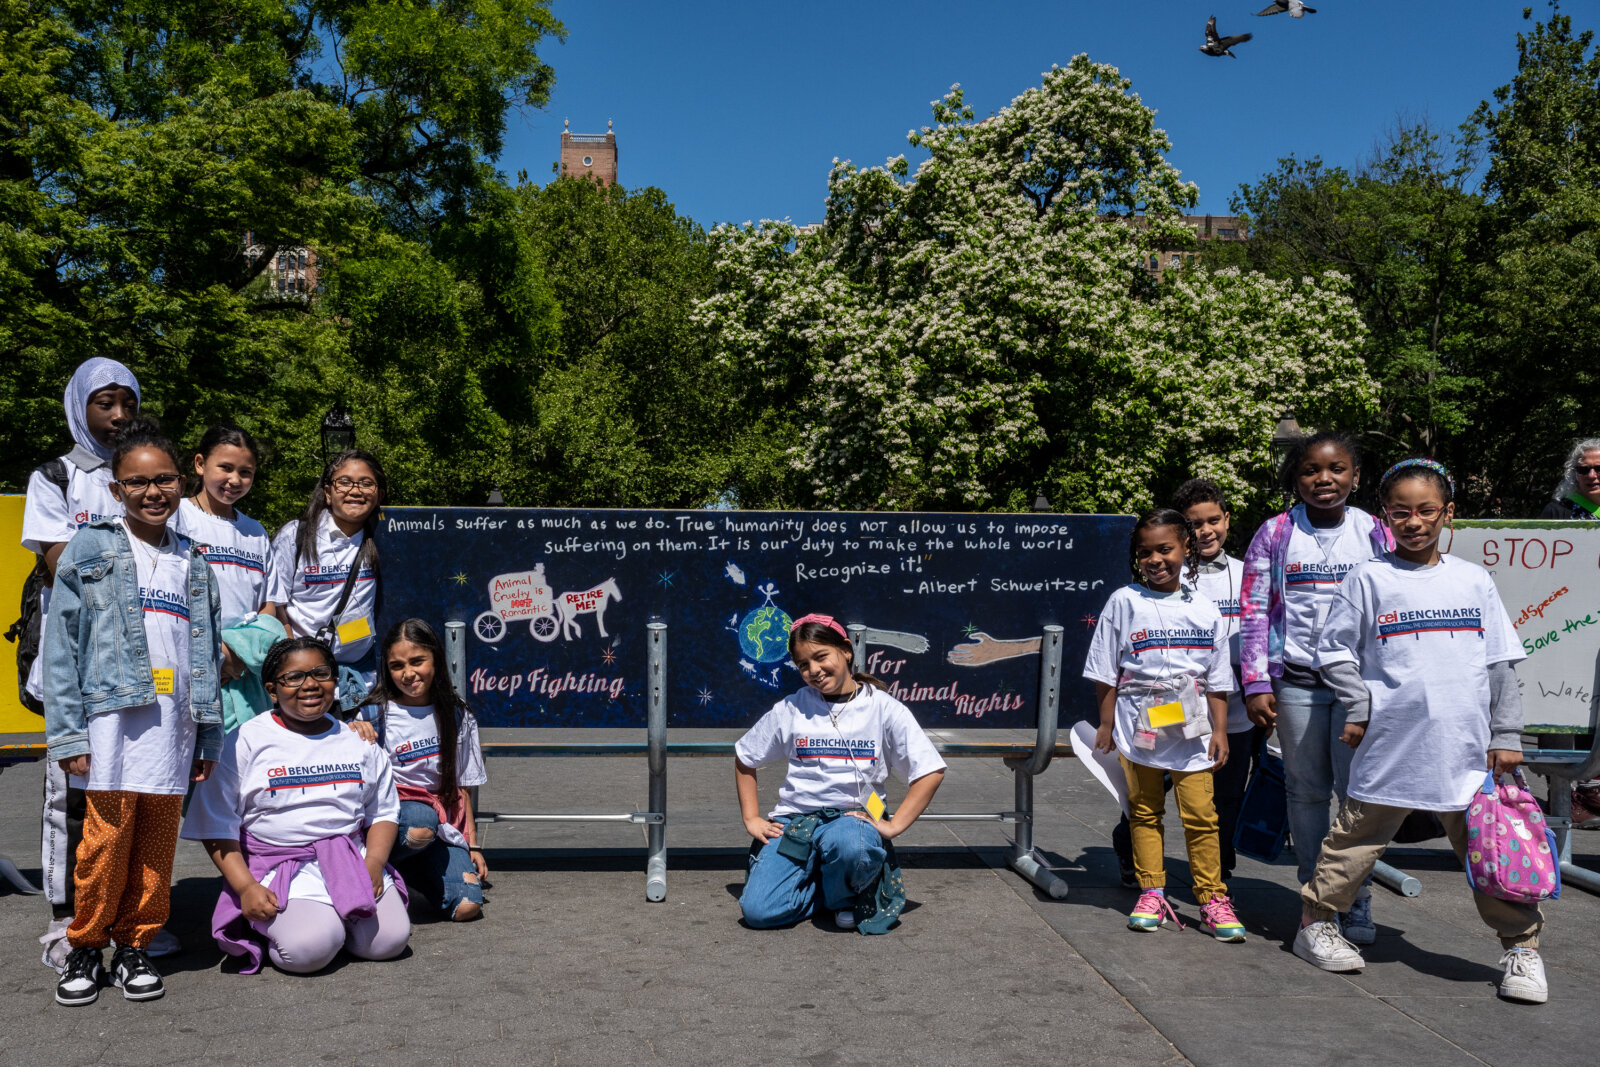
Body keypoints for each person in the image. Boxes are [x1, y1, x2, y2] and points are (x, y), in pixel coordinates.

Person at [1292, 458, 1547, 1004]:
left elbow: (1500, 664)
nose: (1413, 522)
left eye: (1426, 510)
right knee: (1354, 841)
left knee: (1489, 850)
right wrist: (1358, 702)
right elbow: (1333, 650)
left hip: (1467, 752)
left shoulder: (1473, 579)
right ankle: (1315, 926)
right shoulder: (1368, 577)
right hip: (1392, 744)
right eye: (1400, 512)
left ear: (1447, 513)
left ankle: (1522, 949)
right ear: (1385, 517)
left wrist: (1506, 735)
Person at [42, 419, 224, 1005]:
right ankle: (86, 946)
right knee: (105, 838)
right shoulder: (92, 547)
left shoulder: (194, 560)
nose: (153, 492)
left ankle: (136, 943)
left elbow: (206, 653)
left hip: (175, 726)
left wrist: (206, 740)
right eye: (137, 482)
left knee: (154, 843)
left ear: (180, 480)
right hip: (112, 723)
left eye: (164, 479)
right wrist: (68, 732)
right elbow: (62, 649)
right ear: (116, 489)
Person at [19, 359, 154, 969]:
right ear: (80, 407)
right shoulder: (56, 478)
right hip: (75, 662)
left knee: (131, 792)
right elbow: (57, 561)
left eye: (127, 401)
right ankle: (66, 921)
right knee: (70, 795)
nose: (119, 415)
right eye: (105, 403)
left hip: (136, 663)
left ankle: (126, 917)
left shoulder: (147, 474)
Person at [1240, 431, 1392, 945]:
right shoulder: (1276, 533)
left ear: (1355, 475)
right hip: (1298, 684)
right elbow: (1256, 609)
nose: (1324, 480)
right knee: (1304, 794)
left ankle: (1358, 898)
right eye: (1310, 471)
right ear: (1296, 477)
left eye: (1337, 469)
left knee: (1356, 796)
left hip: (1357, 689)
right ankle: (1317, 897)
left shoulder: (1376, 531)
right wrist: (1257, 681)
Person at [182, 637, 410, 975]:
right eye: (294, 677)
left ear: (336, 679)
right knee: (308, 951)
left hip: (350, 861)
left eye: (321, 673)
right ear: (273, 690)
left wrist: (374, 864)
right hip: (281, 868)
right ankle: (303, 927)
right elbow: (215, 823)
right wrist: (246, 887)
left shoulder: (357, 740)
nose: (310, 685)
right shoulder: (244, 741)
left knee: (389, 942)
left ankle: (335, 923)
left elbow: (383, 811)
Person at [1086, 509, 1244, 941]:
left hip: (1192, 732)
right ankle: (1151, 891)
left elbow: (1216, 678)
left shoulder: (1206, 608)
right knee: (1144, 812)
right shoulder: (1125, 601)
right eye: (1145, 553)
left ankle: (1212, 898)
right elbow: (1104, 668)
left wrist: (1221, 730)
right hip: (1139, 729)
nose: (1155, 560)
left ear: (1186, 548)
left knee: (1201, 815)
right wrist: (1105, 723)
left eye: (1165, 549)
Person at [735, 614, 946, 933]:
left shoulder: (883, 708)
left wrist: (893, 826)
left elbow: (930, 770)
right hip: (797, 822)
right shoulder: (792, 709)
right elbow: (745, 756)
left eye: (821, 657)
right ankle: (825, 883)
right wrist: (751, 818)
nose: (814, 671)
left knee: (851, 847)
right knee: (758, 912)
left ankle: (844, 897)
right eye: (803, 665)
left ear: (846, 650)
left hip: (853, 819)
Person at [359, 619, 488, 921]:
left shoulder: (457, 713)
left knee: (467, 907)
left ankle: (412, 873)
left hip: (443, 826)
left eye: (417, 661)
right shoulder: (372, 714)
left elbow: (463, 787)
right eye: (397, 665)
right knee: (421, 823)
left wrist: (472, 845)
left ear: (436, 660)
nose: (408, 673)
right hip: (396, 818)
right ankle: (387, 864)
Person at [1173, 477, 1258, 883]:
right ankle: (1130, 853)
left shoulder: (1248, 574)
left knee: (1227, 795)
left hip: (1237, 707)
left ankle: (1218, 873)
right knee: (1156, 787)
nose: (1205, 531)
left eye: (1212, 520)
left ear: (1226, 519)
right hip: (1177, 702)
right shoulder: (1170, 575)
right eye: (1194, 524)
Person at [172, 425, 285, 730]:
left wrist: (240, 655)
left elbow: (268, 607)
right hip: (191, 670)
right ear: (199, 464)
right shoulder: (177, 517)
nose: (235, 480)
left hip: (245, 676)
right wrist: (214, 656)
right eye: (225, 467)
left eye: (246, 472)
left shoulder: (255, 531)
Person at [263, 450, 387, 703]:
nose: (355, 490)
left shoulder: (384, 538)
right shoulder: (295, 536)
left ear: (379, 494)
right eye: (344, 482)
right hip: (306, 676)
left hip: (363, 675)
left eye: (366, 483)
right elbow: (277, 603)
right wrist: (293, 657)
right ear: (328, 493)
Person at [1538, 437, 1600, 520]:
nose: (1591, 475)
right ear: (1574, 474)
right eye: (1583, 469)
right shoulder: (1556, 511)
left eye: (1599, 469)